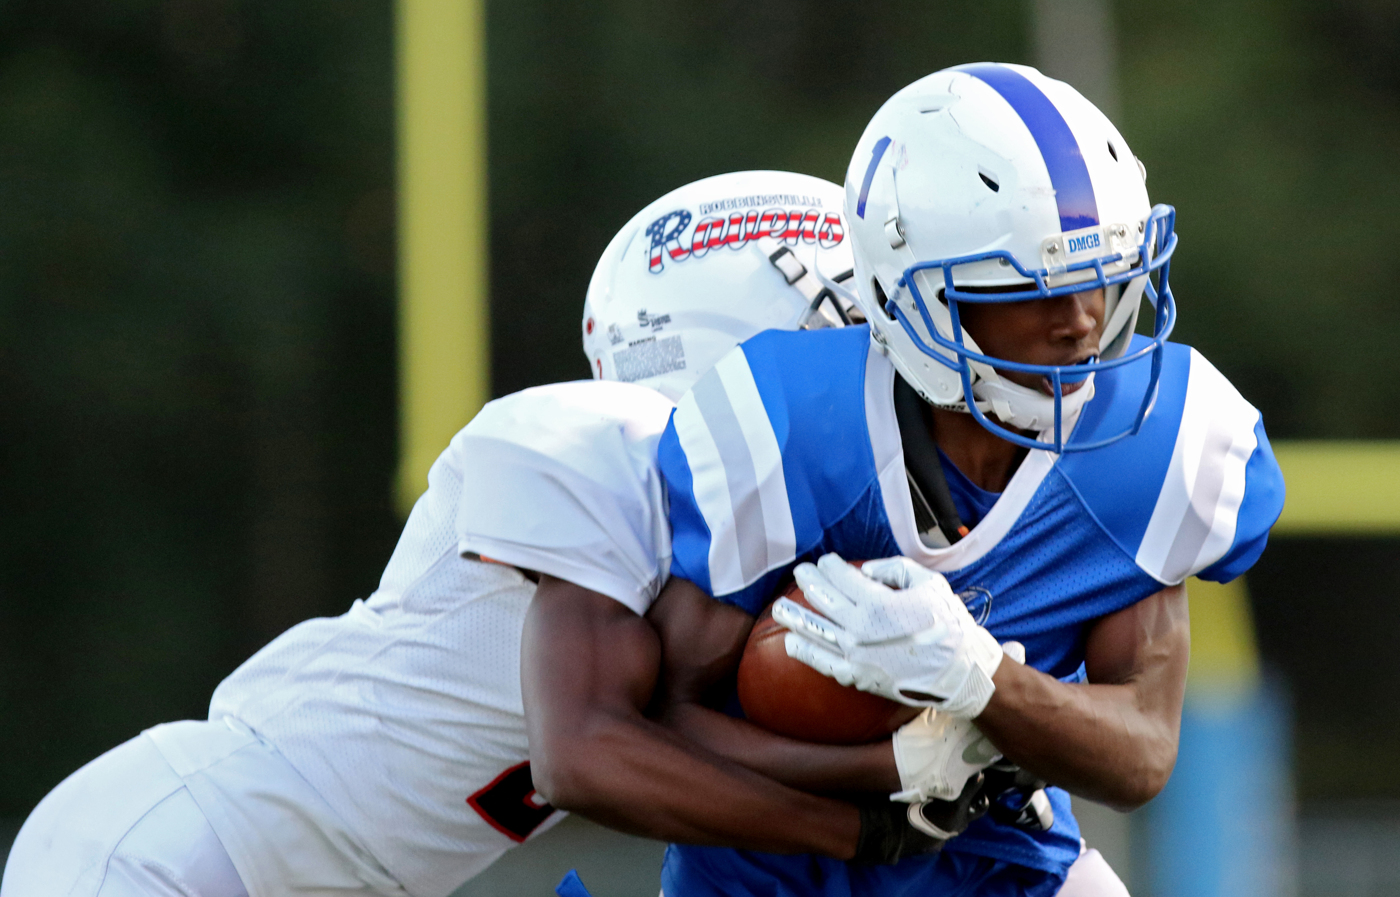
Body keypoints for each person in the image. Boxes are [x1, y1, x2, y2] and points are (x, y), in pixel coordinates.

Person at [3, 171, 945, 897]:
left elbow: (695, 735)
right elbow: (586, 754)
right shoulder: (591, 439)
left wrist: (932, 753)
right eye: (849, 329)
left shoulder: (748, 536)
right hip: (174, 854)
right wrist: (867, 814)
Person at [648, 63, 1286, 897]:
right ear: (904, 296)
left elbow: (1141, 754)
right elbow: (663, 719)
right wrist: (895, 764)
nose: (1083, 322)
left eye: (1100, 276)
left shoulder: (1161, 440)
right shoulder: (783, 426)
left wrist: (978, 676)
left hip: (1006, 865)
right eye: (1029, 289)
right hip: (767, 875)